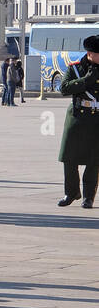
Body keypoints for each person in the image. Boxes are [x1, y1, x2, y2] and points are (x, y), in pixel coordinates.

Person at [57, 36, 99, 208]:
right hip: (77, 117)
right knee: (69, 158)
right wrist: (86, 80)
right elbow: (64, 88)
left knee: (94, 160)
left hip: (97, 117)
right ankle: (71, 192)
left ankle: (88, 197)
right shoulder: (75, 68)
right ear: (90, 54)